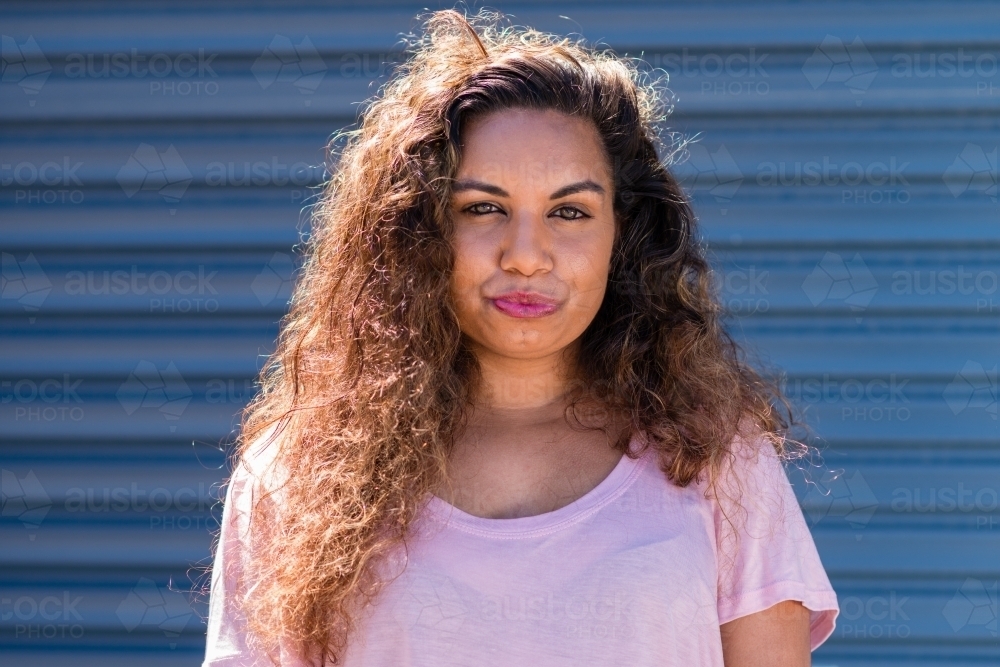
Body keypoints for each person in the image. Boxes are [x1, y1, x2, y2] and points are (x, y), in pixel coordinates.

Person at [202, 9, 839, 667]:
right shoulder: (298, 472)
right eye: (484, 207)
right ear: (419, 231)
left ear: (622, 235)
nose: (527, 254)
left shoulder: (718, 457)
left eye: (569, 211)